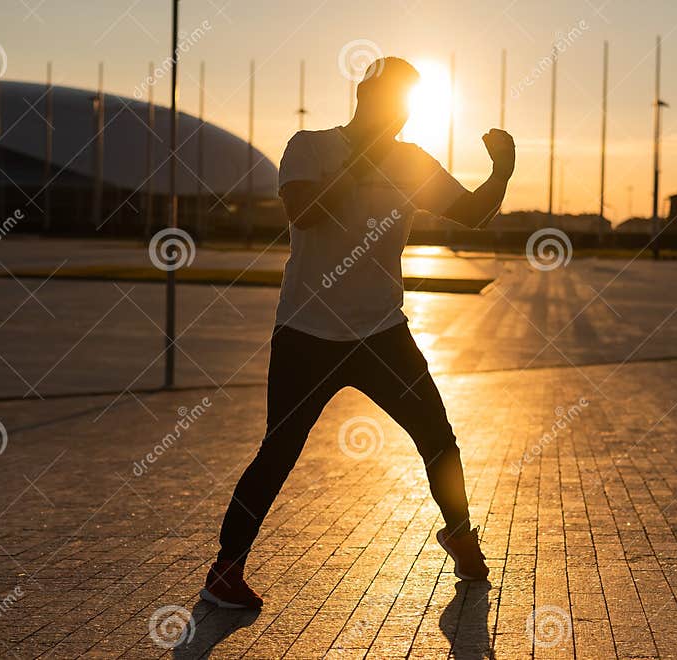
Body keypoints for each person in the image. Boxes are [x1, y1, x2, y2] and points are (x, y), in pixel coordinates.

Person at [201, 56, 515, 609]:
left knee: (437, 437)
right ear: (365, 98)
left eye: (407, 102)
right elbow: (306, 213)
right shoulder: (310, 146)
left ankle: (461, 537)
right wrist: (362, 159)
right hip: (307, 332)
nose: (399, 112)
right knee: (278, 452)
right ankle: (226, 570)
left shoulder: (410, 161)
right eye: (391, 98)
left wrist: (502, 173)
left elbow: (472, 213)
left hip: (382, 332)